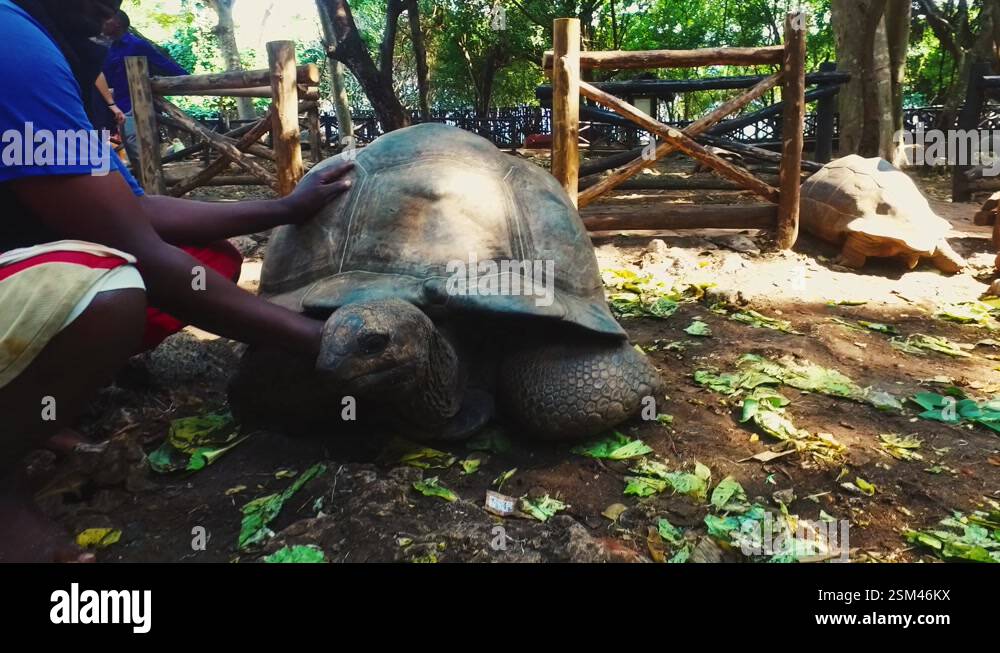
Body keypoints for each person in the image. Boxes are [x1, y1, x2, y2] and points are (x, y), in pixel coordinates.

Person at [0, 0, 354, 562]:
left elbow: (135, 211)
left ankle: (33, 408)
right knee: (107, 288)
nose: (112, 13)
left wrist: (285, 208)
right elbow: (136, 245)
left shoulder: (55, 50)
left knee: (206, 260)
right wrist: (324, 341)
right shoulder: (12, 42)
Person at [100, 9, 187, 165]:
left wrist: (188, 80)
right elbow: (103, 75)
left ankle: (148, 182)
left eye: (108, 19)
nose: (103, 23)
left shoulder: (136, 45)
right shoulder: (107, 48)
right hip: (116, 105)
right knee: (127, 146)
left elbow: (162, 62)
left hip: (136, 103)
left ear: (118, 23)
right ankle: (143, 181)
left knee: (135, 145)